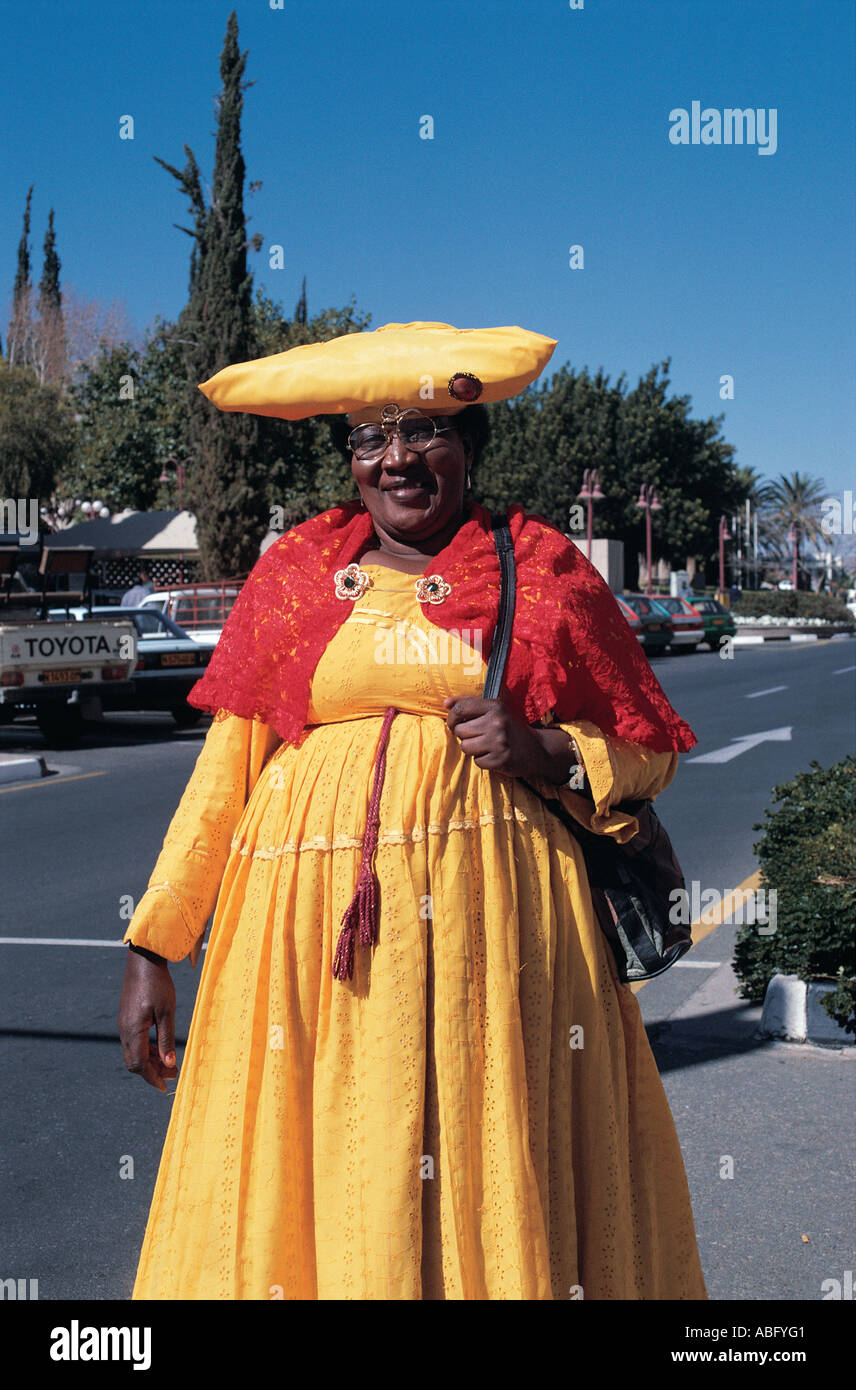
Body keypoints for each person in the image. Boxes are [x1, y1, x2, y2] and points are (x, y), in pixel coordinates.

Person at [118, 321, 707, 1301]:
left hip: (495, 940)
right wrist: (153, 948)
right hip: (301, 951)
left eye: (423, 429)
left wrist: (545, 748)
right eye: (367, 436)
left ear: (470, 446)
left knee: (479, 1153)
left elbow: (648, 752)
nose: (394, 457)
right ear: (348, 457)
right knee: (330, 1168)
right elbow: (226, 772)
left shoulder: (543, 568)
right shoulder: (298, 571)